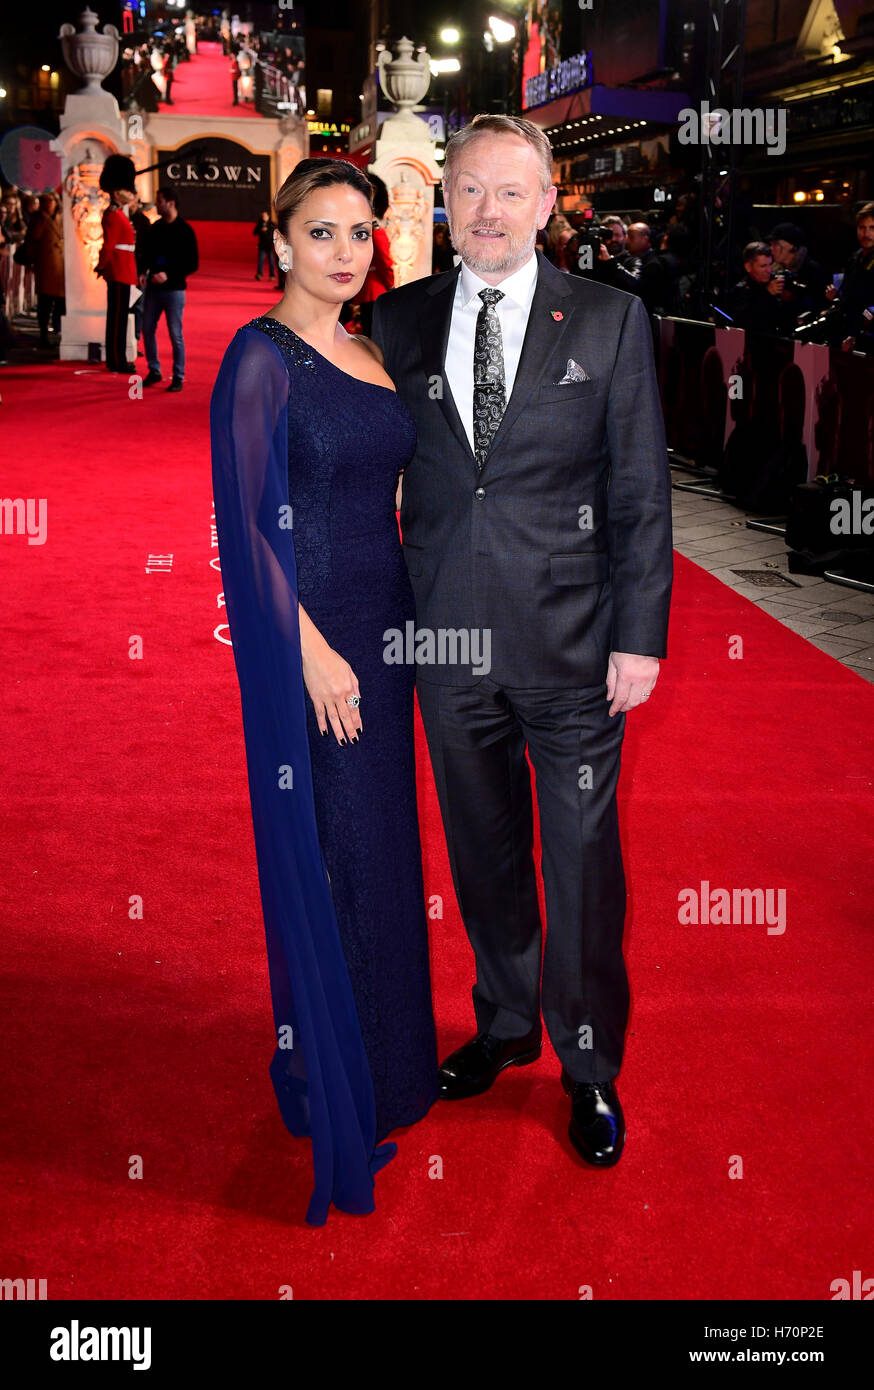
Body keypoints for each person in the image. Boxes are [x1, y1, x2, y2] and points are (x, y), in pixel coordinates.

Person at [372, 114, 673, 1169]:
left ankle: (587, 1061)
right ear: (446, 200)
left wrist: (639, 637)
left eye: (510, 192)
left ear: (549, 203)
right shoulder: (398, 321)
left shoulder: (609, 319)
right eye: (469, 190)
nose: (488, 211)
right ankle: (504, 1022)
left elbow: (637, 493)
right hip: (446, 644)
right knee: (482, 849)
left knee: (583, 859)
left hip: (575, 645)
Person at [210, 157, 439, 1225]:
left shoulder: (371, 350)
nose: (343, 253)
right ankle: (341, 1086)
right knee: (336, 844)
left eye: (360, 233)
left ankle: (390, 1071)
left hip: (385, 628)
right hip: (313, 640)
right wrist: (303, 647)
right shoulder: (258, 361)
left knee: (383, 842)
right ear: (282, 236)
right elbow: (246, 523)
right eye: (322, 232)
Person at [140, 188, 199, 392]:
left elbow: (192, 263)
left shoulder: (185, 230)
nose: (157, 205)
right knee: (147, 329)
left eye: (160, 201)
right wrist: (143, 272)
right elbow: (146, 254)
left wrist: (169, 275)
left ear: (171, 203)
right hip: (153, 289)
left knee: (175, 334)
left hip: (174, 290)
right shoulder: (155, 228)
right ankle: (154, 369)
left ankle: (178, 375)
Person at [95, 160, 138, 373]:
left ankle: (117, 358)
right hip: (118, 270)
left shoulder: (118, 212)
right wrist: (101, 266)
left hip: (124, 269)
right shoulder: (112, 214)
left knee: (119, 318)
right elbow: (109, 245)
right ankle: (116, 359)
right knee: (117, 319)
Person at [826, 202, 874, 355]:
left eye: (872, 228)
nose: (866, 234)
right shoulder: (855, 258)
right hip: (845, 334)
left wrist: (858, 334)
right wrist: (836, 296)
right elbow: (850, 296)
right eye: (862, 228)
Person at [350, 172, 394, 335]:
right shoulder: (376, 231)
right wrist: (391, 285)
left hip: (366, 290)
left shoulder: (364, 230)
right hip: (378, 291)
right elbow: (385, 262)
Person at [722, 241, 792, 335]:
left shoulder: (775, 281)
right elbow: (744, 322)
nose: (769, 270)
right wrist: (767, 294)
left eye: (770, 264)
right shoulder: (740, 291)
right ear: (748, 267)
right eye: (763, 266)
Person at [23, 192, 65, 347]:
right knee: (45, 303)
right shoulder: (38, 219)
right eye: (46, 201)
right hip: (46, 265)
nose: (49, 204)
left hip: (60, 266)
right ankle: (43, 334)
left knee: (60, 302)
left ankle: (58, 330)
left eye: (51, 200)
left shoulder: (61, 217)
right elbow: (32, 240)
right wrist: (30, 261)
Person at [768, 221, 829, 320]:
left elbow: (820, 304)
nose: (771, 248)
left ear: (791, 246)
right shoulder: (771, 271)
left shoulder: (812, 271)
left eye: (776, 244)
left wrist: (794, 299)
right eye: (771, 244)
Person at [253, 210, 276, 281]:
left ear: (268, 216)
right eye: (263, 216)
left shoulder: (272, 224)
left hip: (269, 246)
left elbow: (273, 234)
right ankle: (259, 274)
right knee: (261, 260)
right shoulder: (260, 224)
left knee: (271, 261)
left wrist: (266, 230)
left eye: (265, 216)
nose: (264, 217)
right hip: (262, 246)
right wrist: (261, 230)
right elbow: (254, 232)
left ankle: (272, 276)